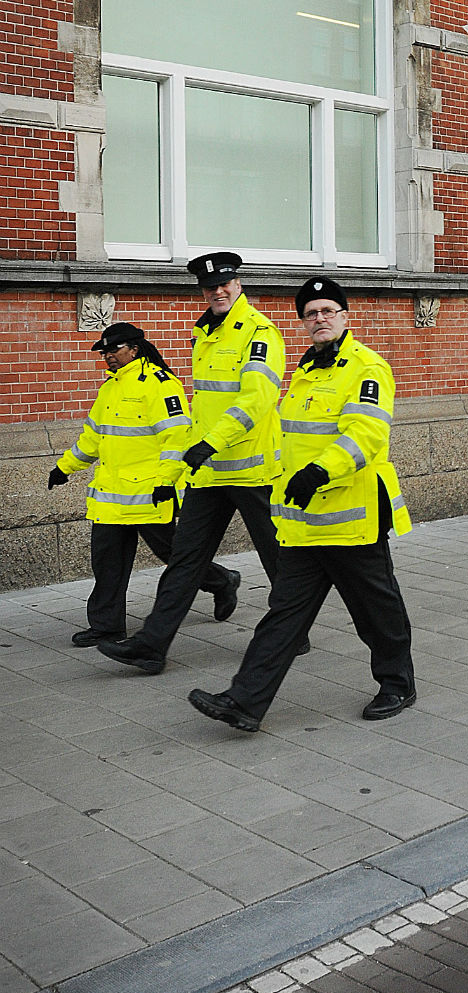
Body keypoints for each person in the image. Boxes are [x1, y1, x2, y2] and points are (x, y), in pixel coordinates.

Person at [188, 276, 416, 734]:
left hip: (352, 519)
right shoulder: (304, 373)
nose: (319, 319)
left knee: (377, 612)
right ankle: (245, 701)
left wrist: (320, 471)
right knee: (283, 617)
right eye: (311, 314)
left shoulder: (366, 367)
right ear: (303, 323)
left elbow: (366, 434)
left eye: (328, 310)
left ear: (345, 316)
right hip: (303, 525)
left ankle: (397, 685)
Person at [98, 250, 288, 676]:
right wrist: (181, 466)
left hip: (251, 469)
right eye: (209, 287)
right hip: (207, 472)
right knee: (184, 560)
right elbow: (200, 408)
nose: (217, 291)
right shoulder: (205, 334)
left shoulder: (259, 333)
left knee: (277, 557)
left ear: (238, 285)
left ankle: (292, 631)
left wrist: (211, 443)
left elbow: (256, 400)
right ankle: (151, 645)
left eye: (224, 284)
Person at [48, 322, 240, 646]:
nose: (108, 356)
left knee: (175, 554)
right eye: (105, 351)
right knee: (106, 562)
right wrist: (65, 467)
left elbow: (177, 437)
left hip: (151, 491)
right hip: (111, 494)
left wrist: (167, 480)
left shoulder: (160, 384)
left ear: (134, 349)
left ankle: (222, 581)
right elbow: (93, 437)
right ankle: (106, 626)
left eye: (114, 350)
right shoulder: (110, 387)